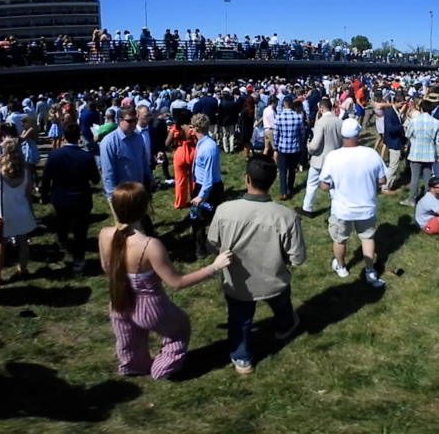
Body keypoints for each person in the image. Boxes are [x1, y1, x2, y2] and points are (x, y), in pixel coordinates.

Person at [99, 182, 232, 379]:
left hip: (119, 301)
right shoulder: (150, 245)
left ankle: (133, 365)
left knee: (128, 338)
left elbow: (106, 267)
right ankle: (162, 370)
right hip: (150, 307)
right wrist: (214, 267)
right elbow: (176, 282)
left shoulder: (104, 234)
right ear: (145, 208)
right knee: (179, 330)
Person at [208, 154, 307, 374]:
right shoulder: (286, 216)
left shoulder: (224, 210)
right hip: (274, 281)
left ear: (247, 179)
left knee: (239, 320)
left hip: (238, 285)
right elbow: (298, 258)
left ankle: (242, 359)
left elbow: (211, 245)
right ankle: (284, 325)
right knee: (282, 305)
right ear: (273, 180)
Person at [319, 119, 387, 287]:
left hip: (342, 208)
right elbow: (382, 180)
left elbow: (324, 185)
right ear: (358, 134)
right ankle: (370, 271)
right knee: (367, 238)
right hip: (366, 206)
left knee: (340, 239)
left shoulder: (333, 157)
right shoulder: (371, 154)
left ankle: (341, 267)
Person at [40, 123, 100, 273]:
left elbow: (46, 178)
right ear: (79, 137)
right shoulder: (86, 157)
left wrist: (44, 195)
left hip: (60, 197)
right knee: (81, 231)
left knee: (62, 222)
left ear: (64, 138)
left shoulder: (54, 155)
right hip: (81, 199)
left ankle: (63, 242)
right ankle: (79, 259)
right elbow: (96, 179)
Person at [0, 138, 38, 285]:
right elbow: (28, 194)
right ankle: (23, 269)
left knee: (0, 244)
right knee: (23, 242)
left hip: (4, 212)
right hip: (22, 209)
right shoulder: (27, 173)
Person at [100, 106, 155, 204]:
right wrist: (112, 197)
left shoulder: (138, 138)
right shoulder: (109, 142)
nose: (134, 123)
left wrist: (150, 179)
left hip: (139, 190)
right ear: (120, 120)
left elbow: (144, 163)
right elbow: (108, 173)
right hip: (122, 195)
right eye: (130, 121)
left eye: (135, 120)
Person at [188, 114, 223, 259]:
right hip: (203, 186)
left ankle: (201, 250)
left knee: (200, 219)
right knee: (205, 216)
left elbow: (208, 176)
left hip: (208, 189)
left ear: (196, 128)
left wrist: (201, 196)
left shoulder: (208, 148)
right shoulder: (202, 142)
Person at [302, 99, 343, 215]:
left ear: (321, 108)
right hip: (335, 158)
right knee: (334, 186)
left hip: (320, 158)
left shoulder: (321, 122)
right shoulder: (339, 121)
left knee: (312, 184)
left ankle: (307, 208)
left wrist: (309, 147)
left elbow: (315, 144)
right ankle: (336, 209)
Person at [402, 94, 439, 206]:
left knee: (415, 177)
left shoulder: (414, 121)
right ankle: (428, 199)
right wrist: (438, 155)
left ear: (421, 108)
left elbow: (408, 134)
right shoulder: (435, 122)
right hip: (429, 154)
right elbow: (438, 140)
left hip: (416, 153)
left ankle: (412, 199)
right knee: (427, 177)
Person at [271, 95, 305, 200]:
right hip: (294, 148)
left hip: (282, 148)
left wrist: (275, 147)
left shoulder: (278, 117)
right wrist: (301, 143)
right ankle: (290, 188)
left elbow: (276, 135)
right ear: (292, 105)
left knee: (282, 170)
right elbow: (302, 133)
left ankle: (283, 192)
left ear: (283, 105)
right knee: (292, 169)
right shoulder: (298, 116)